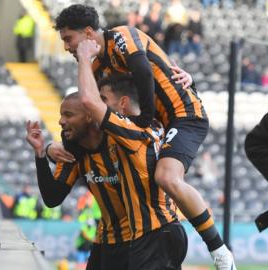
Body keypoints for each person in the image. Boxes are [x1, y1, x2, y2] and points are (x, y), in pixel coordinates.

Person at [54, 5, 236, 269]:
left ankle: (220, 252)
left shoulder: (121, 36)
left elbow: (144, 72)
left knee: (166, 176)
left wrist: (143, 121)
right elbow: (91, 107)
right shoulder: (97, 66)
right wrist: (51, 148)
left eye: (69, 39)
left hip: (185, 116)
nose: (67, 47)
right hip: (158, 124)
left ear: (89, 33)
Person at [26, 70, 187, 268]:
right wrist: (42, 153)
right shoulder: (75, 152)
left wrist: (186, 81)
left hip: (152, 235)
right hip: (108, 240)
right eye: (61, 115)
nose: (61, 121)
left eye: (68, 115)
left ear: (89, 116)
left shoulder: (123, 138)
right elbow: (52, 198)